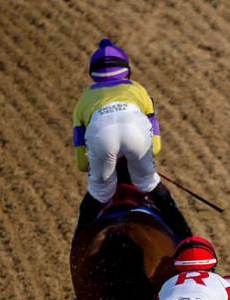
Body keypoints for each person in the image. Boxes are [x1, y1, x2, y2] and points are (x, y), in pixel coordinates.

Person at [71, 38, 191, 242]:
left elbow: (82, 164)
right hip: (136, 134)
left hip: (102, 138)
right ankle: (187, 242)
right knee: (150, 185)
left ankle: (77, 249)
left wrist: (104, 163)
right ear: (127, 70)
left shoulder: (83, 101)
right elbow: (155, 148)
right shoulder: (139, 90)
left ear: (93, 73)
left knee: (99, 193)